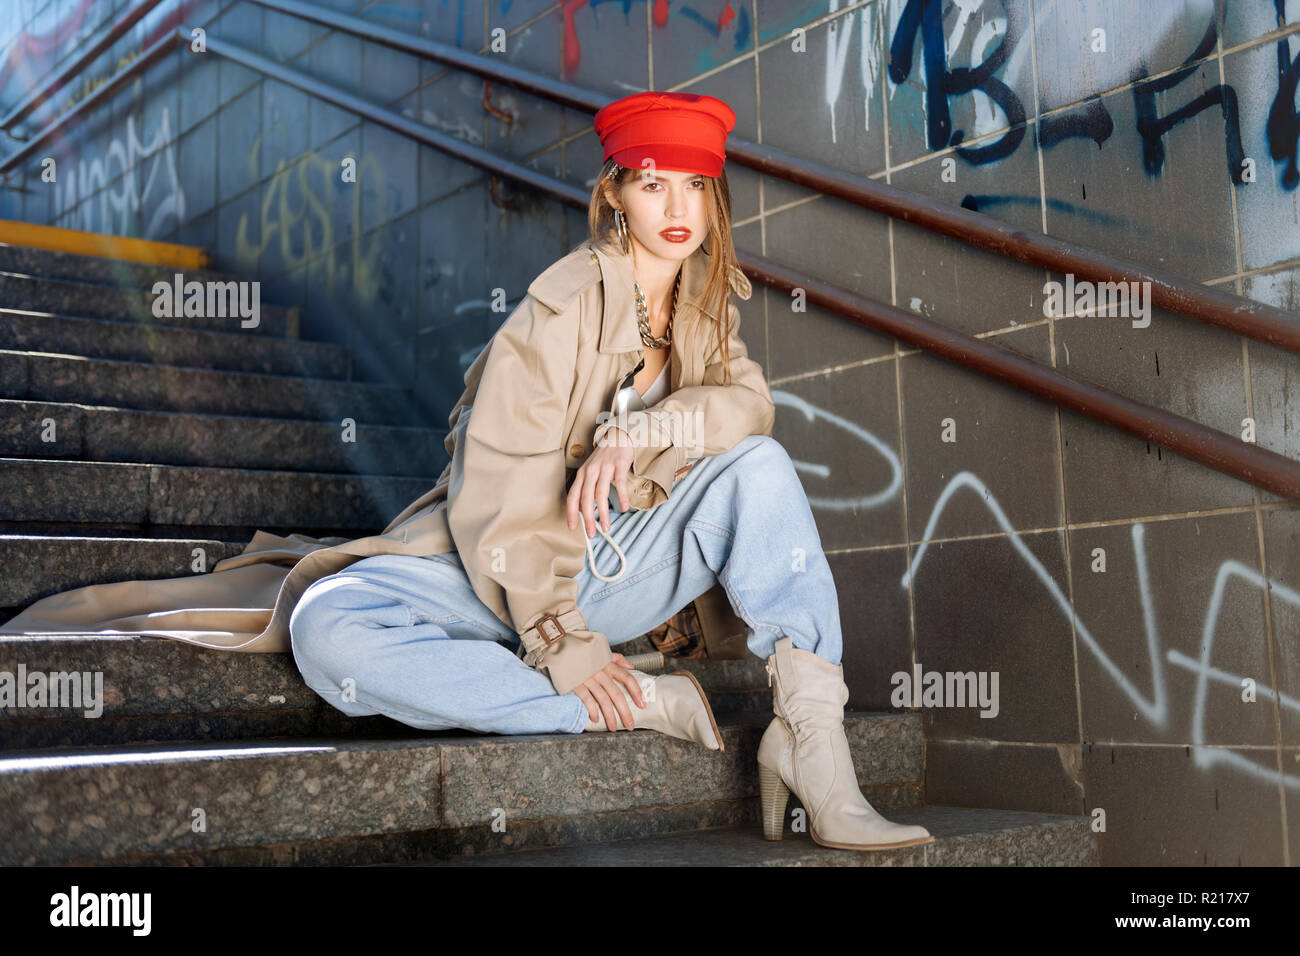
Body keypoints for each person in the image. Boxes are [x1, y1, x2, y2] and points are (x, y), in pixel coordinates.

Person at [287, 91, 933, 851]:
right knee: (324, 626)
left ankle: (814, 744)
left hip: (615, 570)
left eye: (694, 185)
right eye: (653, 182)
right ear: (617, 193)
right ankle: (615, 703)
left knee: (760, 465)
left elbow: (750, 405)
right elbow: (496, 500)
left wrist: (645, 428)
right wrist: (565, 645)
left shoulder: (701, 307)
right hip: (503, 570)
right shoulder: (555, 313)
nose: (676, 205)